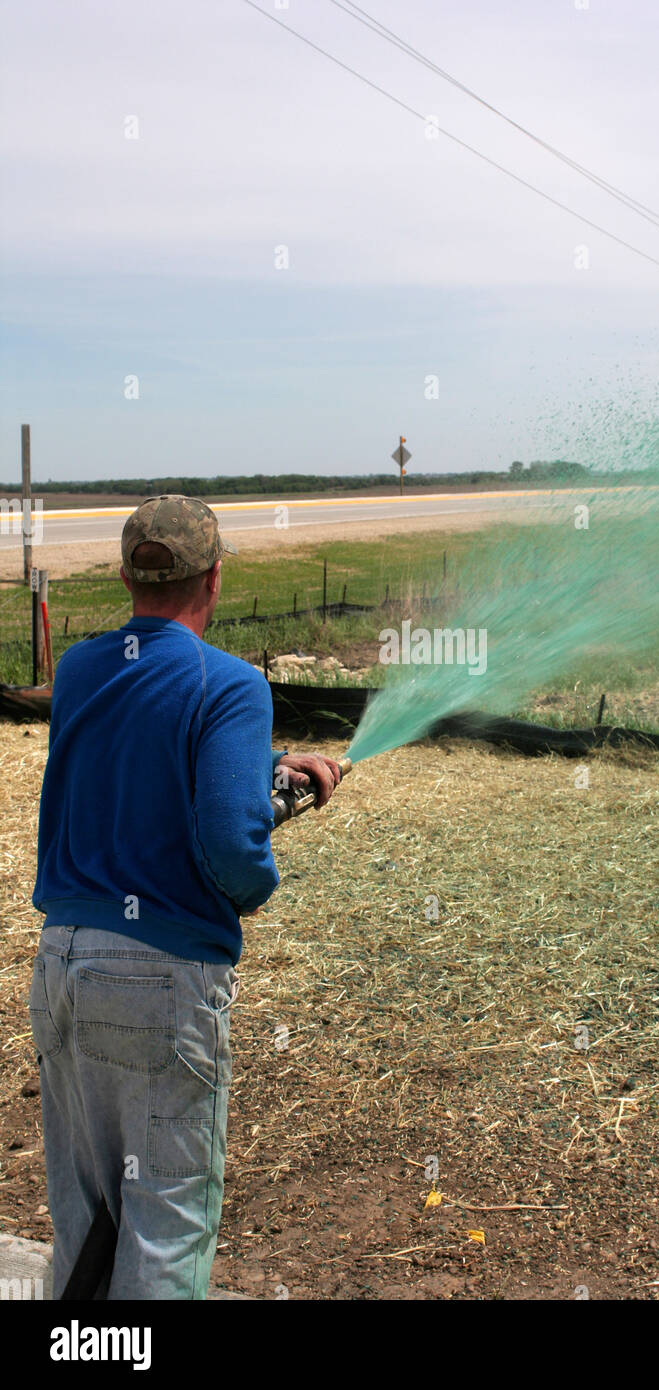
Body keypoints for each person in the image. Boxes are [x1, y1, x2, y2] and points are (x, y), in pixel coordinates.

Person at [29, 494, 342, 1299]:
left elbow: (140, 741)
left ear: (128, 575)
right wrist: (258, 867)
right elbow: (232, 852)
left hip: (61, 967)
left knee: (89, 1219)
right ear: (215, 577)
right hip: (157, 984)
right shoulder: (231, 684)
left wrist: (272, 766)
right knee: (165, 1224)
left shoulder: (81, 667)